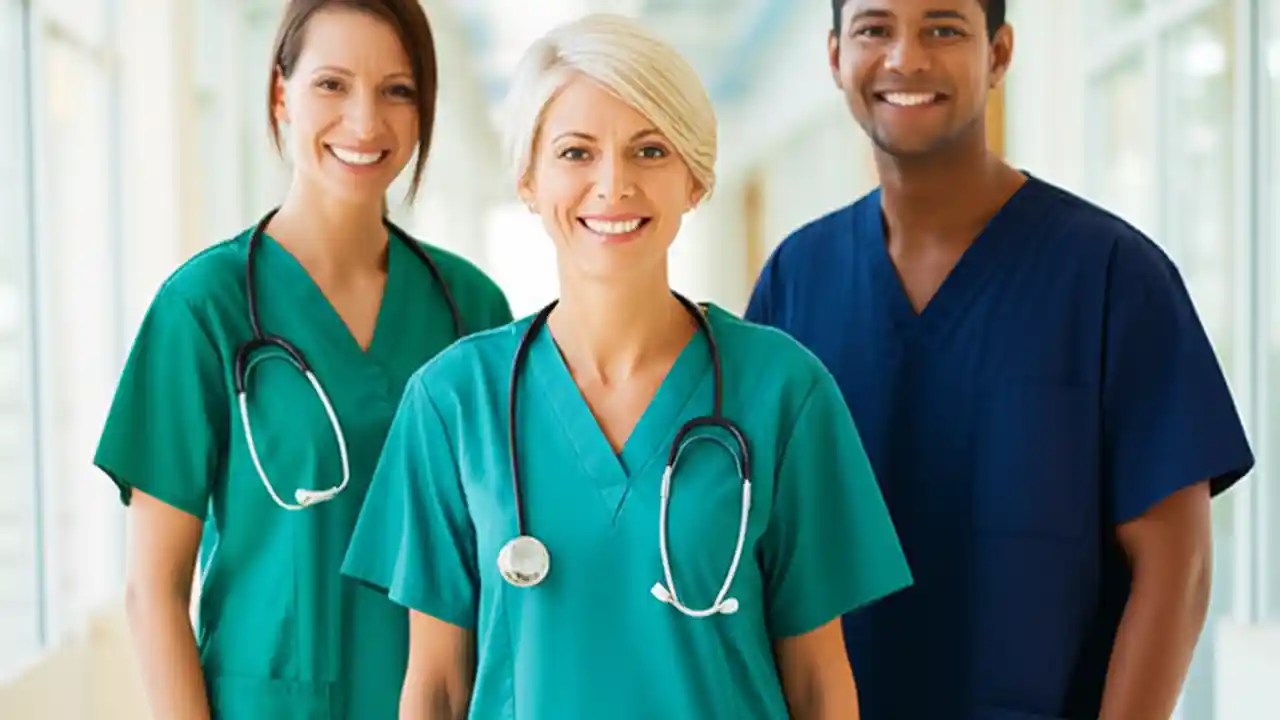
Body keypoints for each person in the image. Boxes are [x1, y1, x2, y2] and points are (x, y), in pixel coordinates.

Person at [341, 13, 912, 719]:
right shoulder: (454, 401)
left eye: (649, 151)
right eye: (576, 153)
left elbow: (821, 681)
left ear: (694, 179)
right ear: (527, 179)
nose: (613, 186)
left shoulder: (783, 392)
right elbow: (435, 688)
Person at [745, 0, 1255, 718]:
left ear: (1000, 54)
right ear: (835, 57)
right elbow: (759, 552)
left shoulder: (1111, 274)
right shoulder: (797, 279)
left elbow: (1177, 568)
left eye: (944, 29)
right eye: (874, 29)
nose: (906, 58)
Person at [93, 1, 512, 717]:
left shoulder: (471, 311)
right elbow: (154, 590)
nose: (365, 122)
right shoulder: (206, 308)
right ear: (281, 93)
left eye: (397, 91)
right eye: (332, 84)